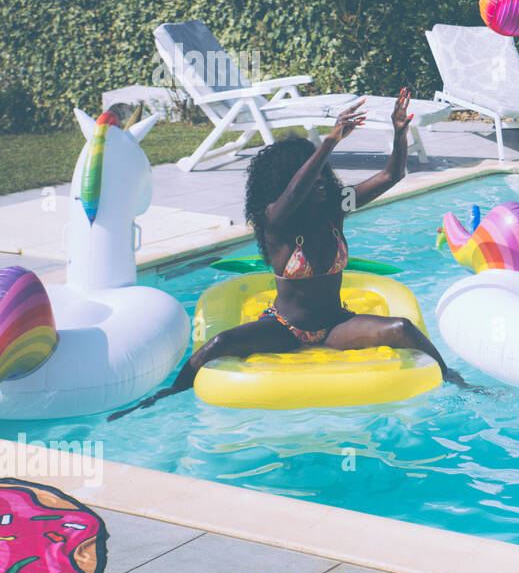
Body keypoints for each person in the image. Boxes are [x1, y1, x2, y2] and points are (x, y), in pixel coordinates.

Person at [114, 91, 459, 419]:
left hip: (337, 324)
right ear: (287, 182)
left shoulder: (336, 208)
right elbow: (294, 194)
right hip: (285, 328)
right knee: (218, 343)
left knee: (401, 327)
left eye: (325, 173)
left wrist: (400, 132)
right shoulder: (274, 222)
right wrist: (329, 141)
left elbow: (391, 175)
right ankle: (167, 396)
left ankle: (455, 381)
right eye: (313, 175)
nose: (323, 180)